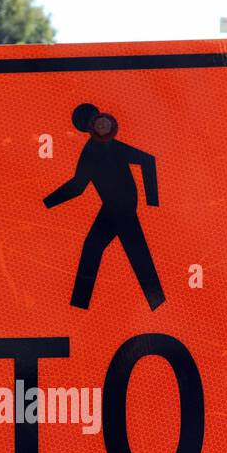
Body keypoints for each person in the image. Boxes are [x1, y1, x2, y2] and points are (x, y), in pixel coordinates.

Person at [44, 103, 165, 310]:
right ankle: (156, 302)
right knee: (111, 249)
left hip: (122, 207)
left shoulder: (109, 147)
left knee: (116, 249)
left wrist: (152, 199)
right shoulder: (91, 150)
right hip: (113, 207)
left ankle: (80, 304)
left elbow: (148, 160)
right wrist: (48, 202)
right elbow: (78, 186)